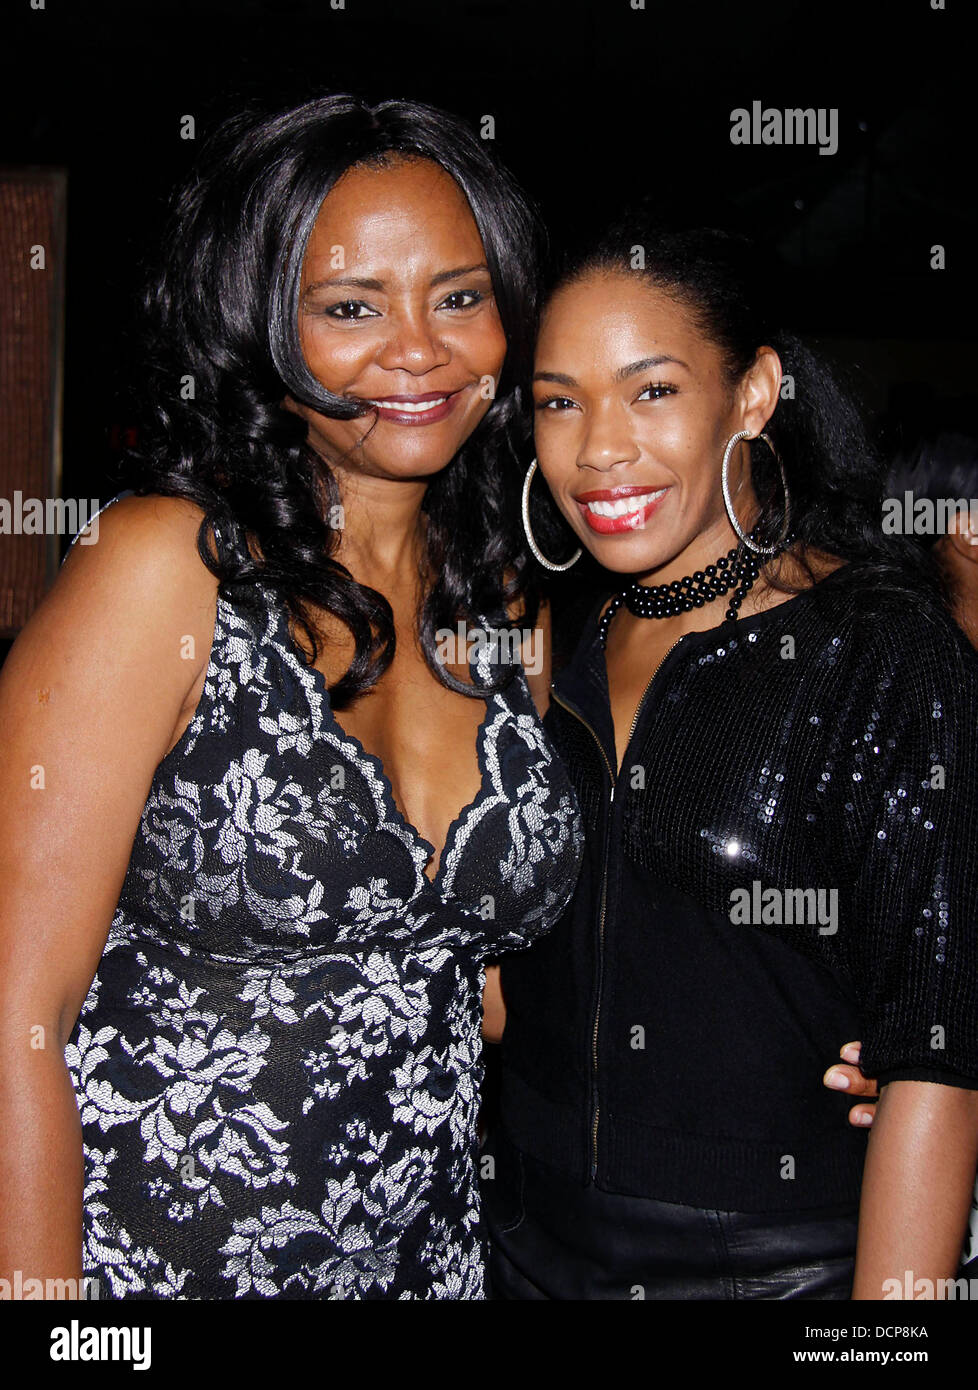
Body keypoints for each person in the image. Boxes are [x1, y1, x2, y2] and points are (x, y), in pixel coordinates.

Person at [0, 94, 583, 1300]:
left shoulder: (504, 594)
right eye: (351, 308)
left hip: (431, 1265)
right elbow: (17, 1011)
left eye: (461, 297)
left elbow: (492, 989)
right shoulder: (165, 568)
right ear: (262, 328)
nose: (418, 350)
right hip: (145, 1278)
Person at [485, 223, 978, 1299]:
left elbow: (936, 1055)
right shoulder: (542, 646)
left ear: (753, 395)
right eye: (559, 401)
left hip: (777, 1270)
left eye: (651, 390)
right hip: (517, 1249)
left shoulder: (877, 647)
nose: (597, 448)